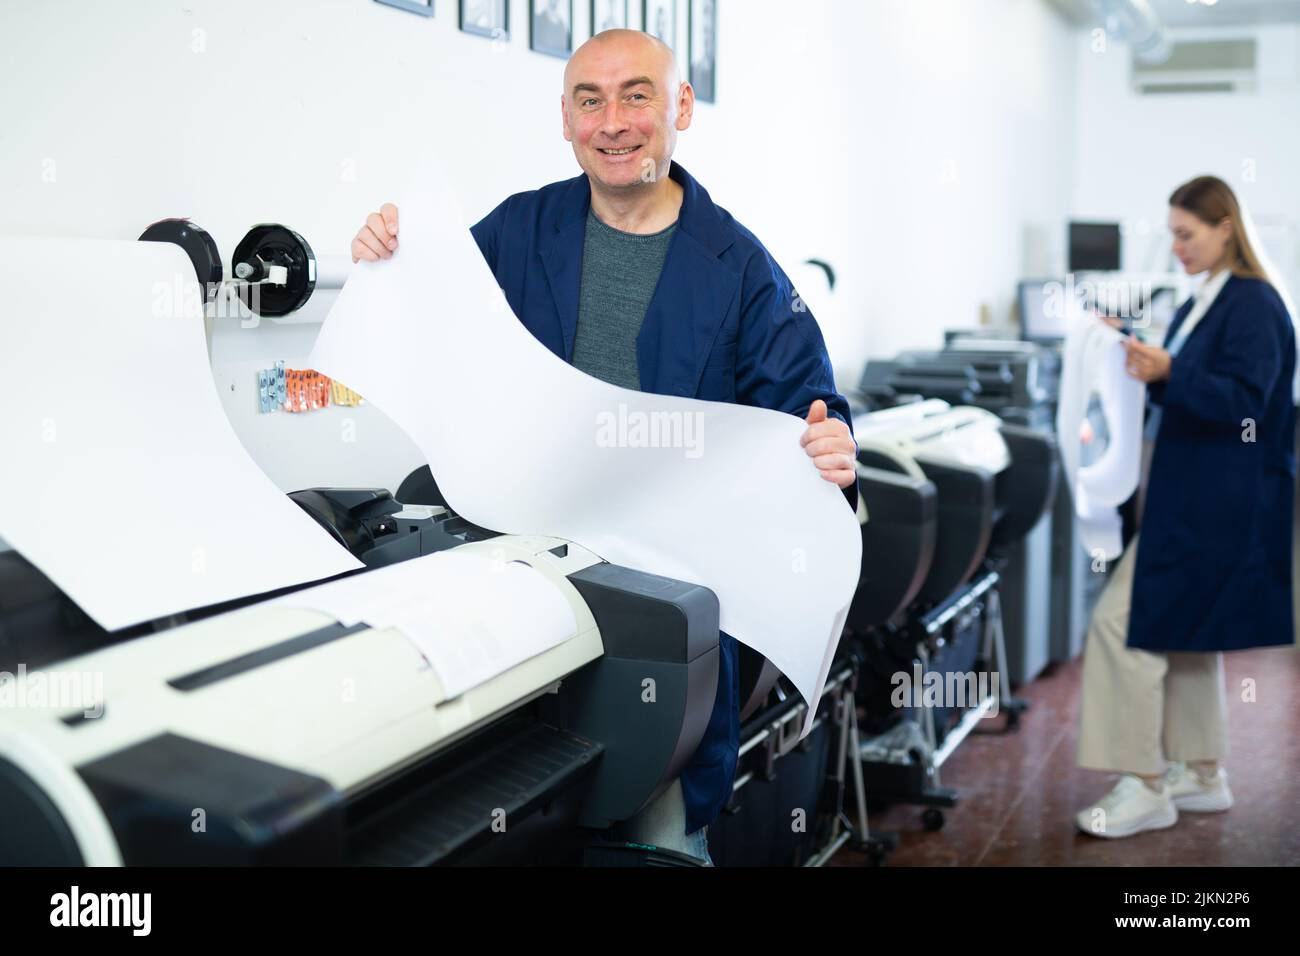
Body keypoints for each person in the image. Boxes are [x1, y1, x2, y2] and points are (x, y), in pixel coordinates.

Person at [350, 29, 857, 863]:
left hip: (658, 617)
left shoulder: (743, 271)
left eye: (636, 95)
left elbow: (810, 420)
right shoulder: (518, 231)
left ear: (680, 107)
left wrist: (833, 452)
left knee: (656, 835)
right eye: (591, 99)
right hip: (517, 596)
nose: (612, 121)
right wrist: (387, 255)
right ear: (565, 118)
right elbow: (430, 306)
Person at [1074, 175, 1296, 839]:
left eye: (1186, 234)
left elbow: (1245, 405)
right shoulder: (1213, 297)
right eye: (1171, 233)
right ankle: (1201, 772)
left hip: (1215, 502)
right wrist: (1156, 366)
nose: (1175, 247)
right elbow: (1206, 391)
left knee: (1122, 626)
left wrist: (1171, 371)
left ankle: (1143, 784)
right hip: (1201, 493)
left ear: (1225, 227)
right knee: (1189, 634)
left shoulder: (1252, 302)